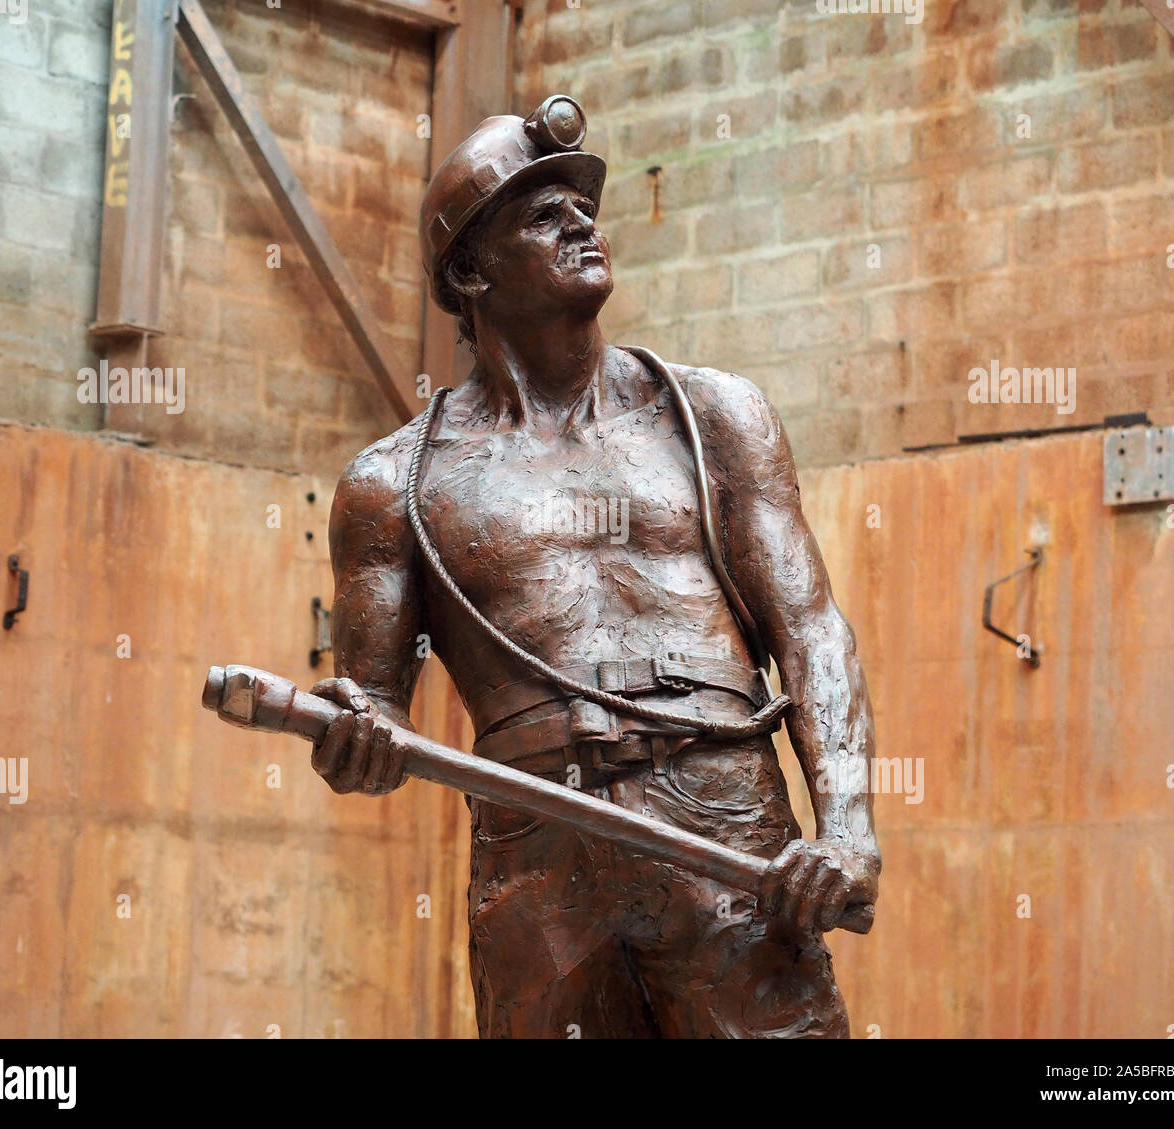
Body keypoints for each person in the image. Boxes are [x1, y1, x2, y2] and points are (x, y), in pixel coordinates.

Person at [308, 95, 880, 1038]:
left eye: (583, 203)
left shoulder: (714, 416)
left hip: (723, 814)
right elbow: (368, 722)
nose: (582, 220)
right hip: (537, 849)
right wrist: (353, 735)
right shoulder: (390, 484)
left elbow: (811, 626)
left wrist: (849, 826)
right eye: (542, 213)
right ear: (470, 272)